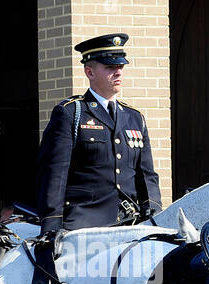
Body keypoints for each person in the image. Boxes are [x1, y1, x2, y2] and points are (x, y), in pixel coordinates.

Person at [36, 33, 160, 234]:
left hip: (130, 223)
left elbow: (147, 177)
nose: (118, 72)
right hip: (84, 224)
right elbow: (53, 176)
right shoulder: (71, 113)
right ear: (89, 72)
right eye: (110, 67)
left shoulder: (134, 117)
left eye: (120, 67)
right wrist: (51, 227)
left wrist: (154, 217)